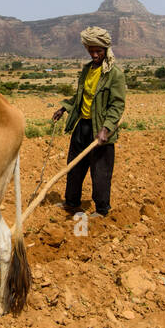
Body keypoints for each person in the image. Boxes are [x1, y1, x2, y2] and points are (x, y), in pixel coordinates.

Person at [51, 26, 126, 217]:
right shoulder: (86, 70)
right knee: (74, 167)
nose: (94, 54)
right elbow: (79, 97)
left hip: (100, 130)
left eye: (98, 51)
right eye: (91, 50)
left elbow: (117, 105)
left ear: (106, 50)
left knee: (100, 173)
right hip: (82, 127)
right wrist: (64, 109)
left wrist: (105, 129)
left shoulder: (114, 74)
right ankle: (71, 202)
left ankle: (102, 210)